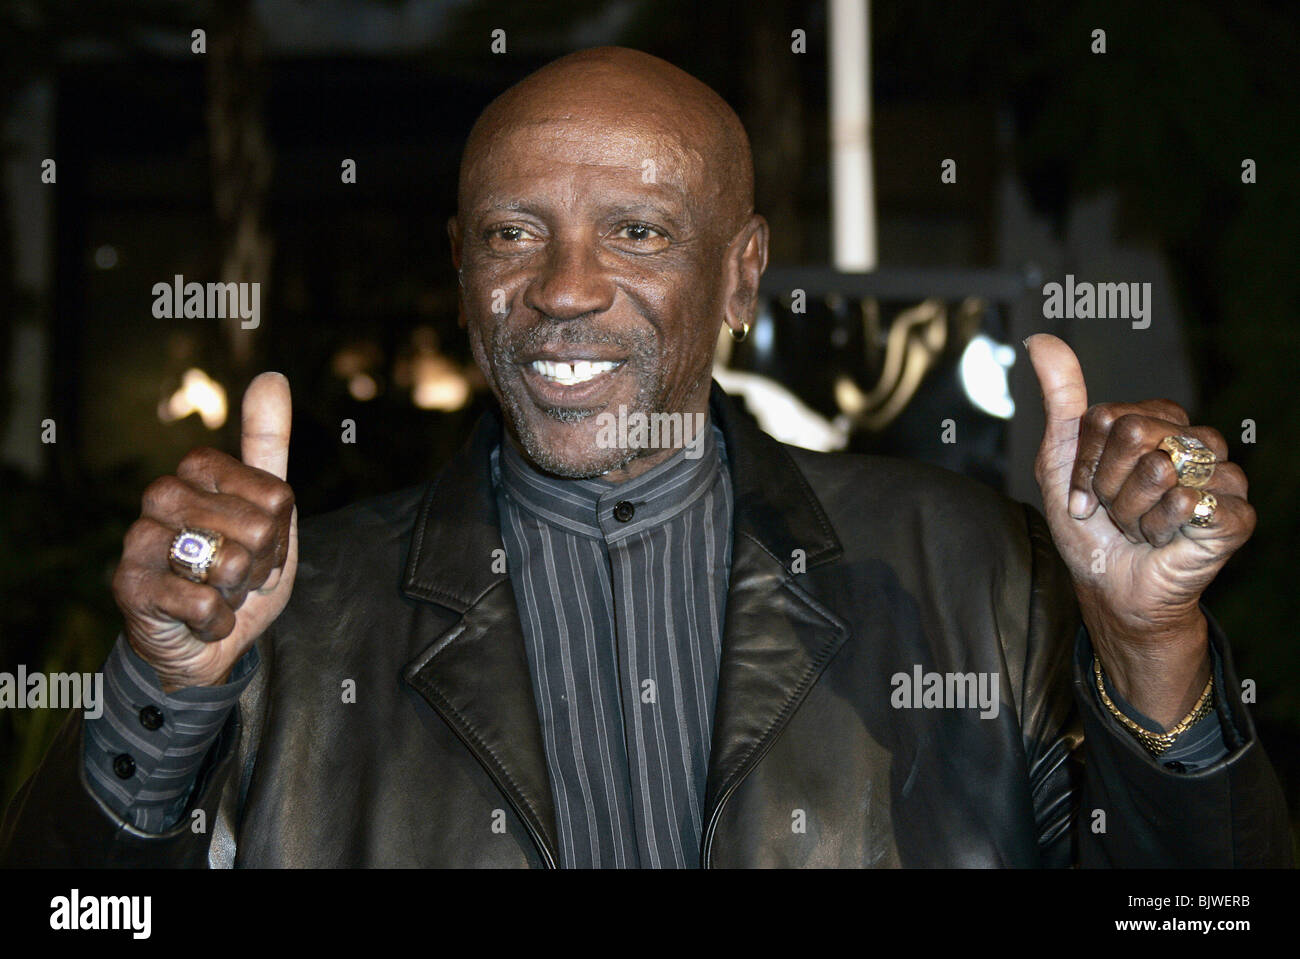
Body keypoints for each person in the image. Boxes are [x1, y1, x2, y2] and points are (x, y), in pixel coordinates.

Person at [1, 47, 1289, 868]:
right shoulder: (289, 615)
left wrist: (1149, 650)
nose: (567, 290)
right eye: (516, 231)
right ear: (461, 271)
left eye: (637, 231)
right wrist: (165, 695)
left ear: (740, 272)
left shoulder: (978, 575)